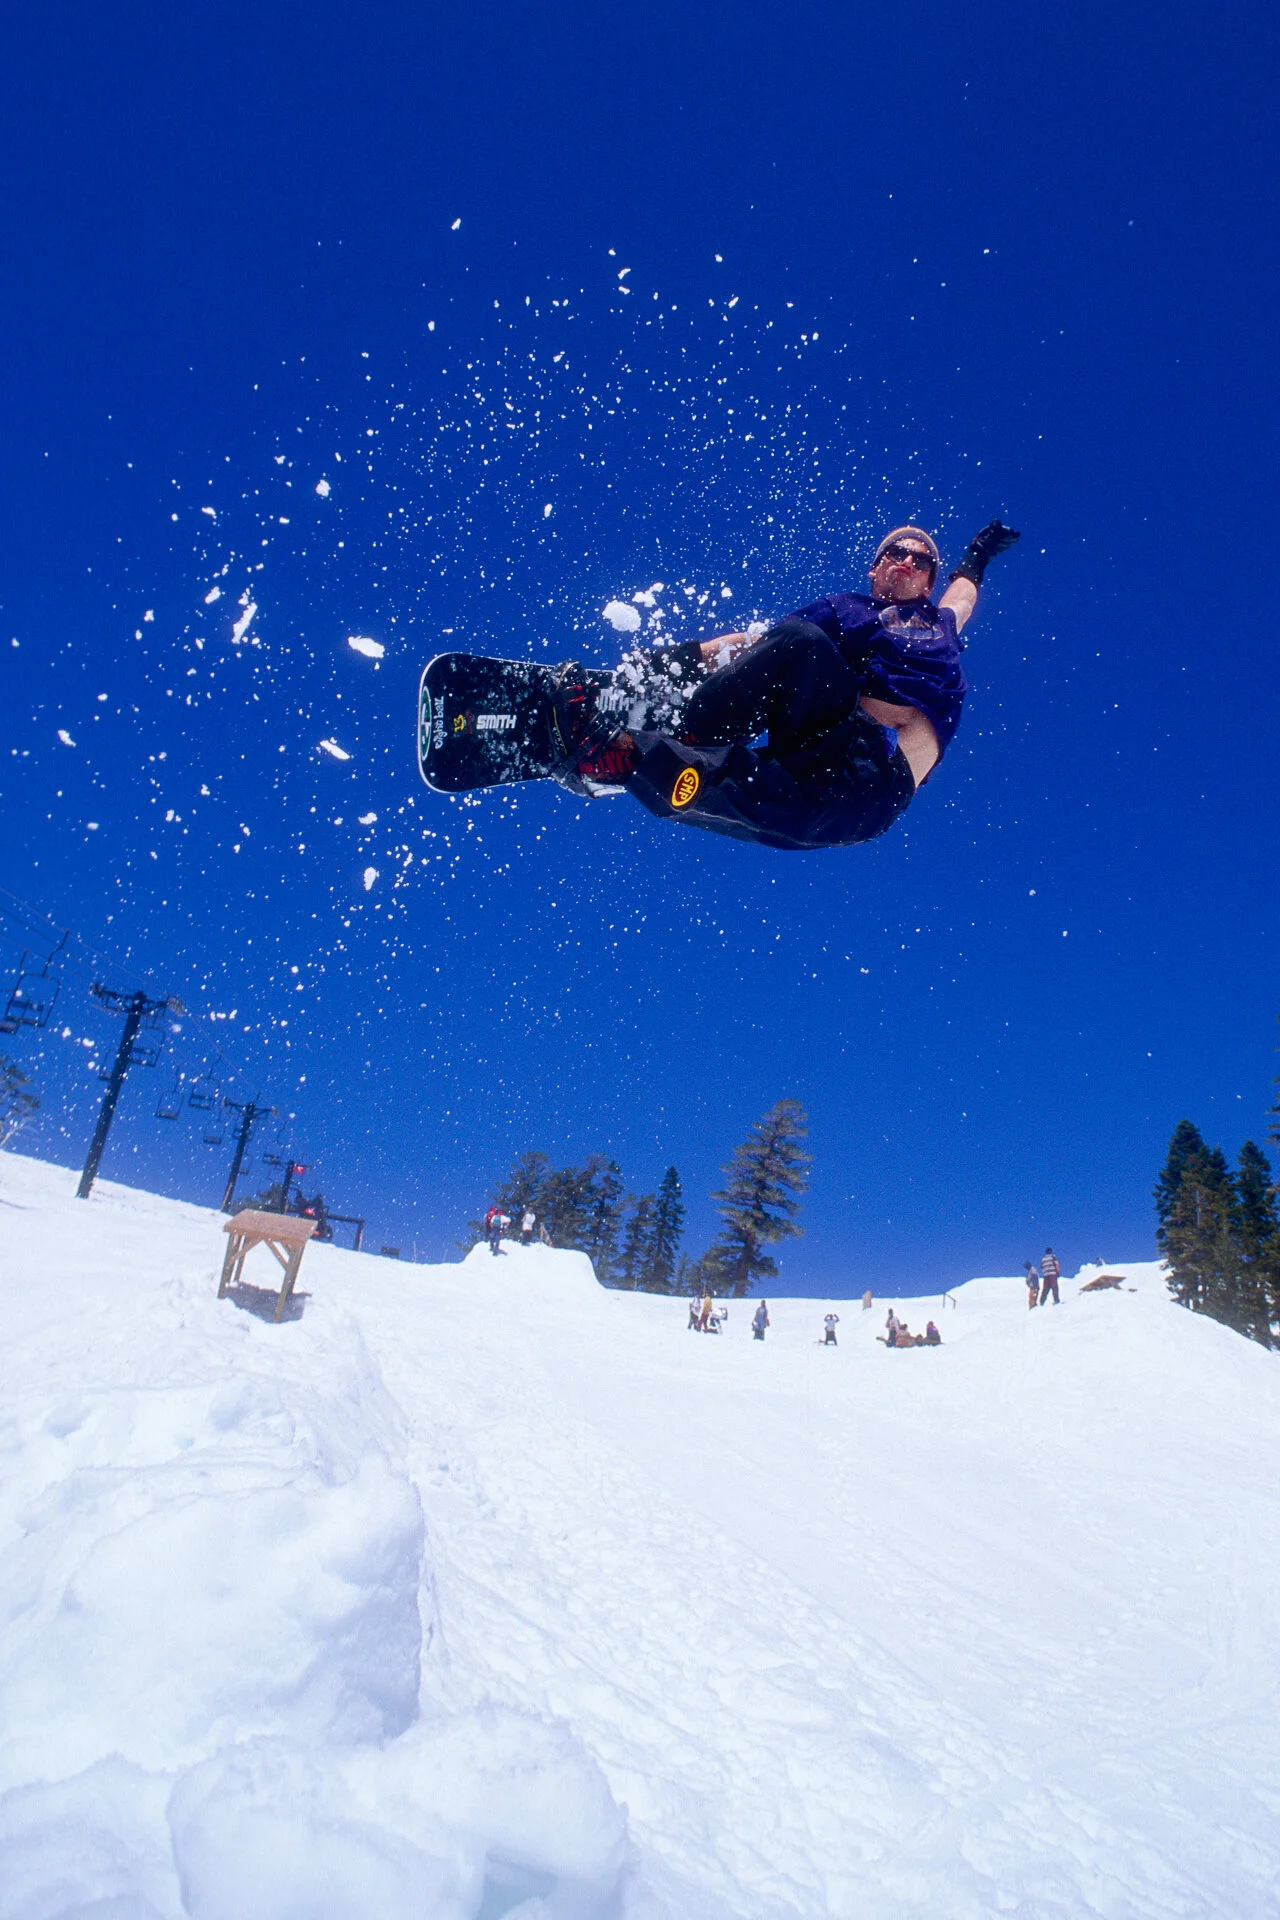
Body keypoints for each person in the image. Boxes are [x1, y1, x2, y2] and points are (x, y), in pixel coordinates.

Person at [552, 520, 1020, 852]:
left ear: (929, 581)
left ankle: (636, 756)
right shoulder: (847, 611)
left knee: (743, 791)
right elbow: (754, 647)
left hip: (876, 791)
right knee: (799, 642)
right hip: (833, 741)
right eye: (895, 552)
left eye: (921, 559)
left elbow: (964, 593)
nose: (907, 560)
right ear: (874, 569)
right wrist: (657, 665)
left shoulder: (942, 622)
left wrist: (978, 553)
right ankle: (667, 723)